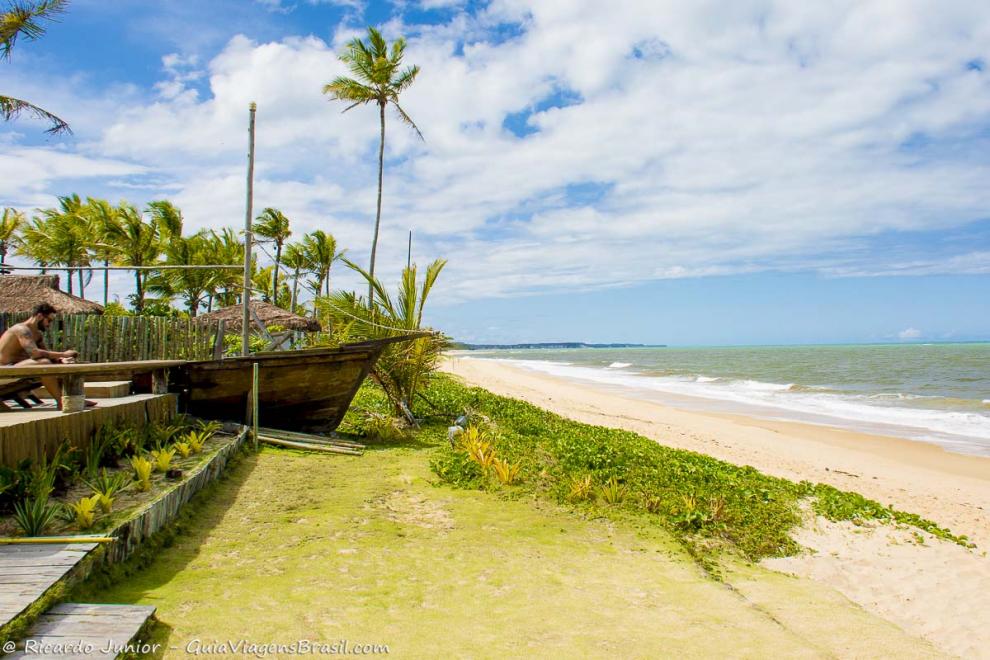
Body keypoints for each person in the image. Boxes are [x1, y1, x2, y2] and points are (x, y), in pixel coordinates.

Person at [0, 302, 96, 408]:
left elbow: (46, 354)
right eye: (49, 320)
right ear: (40, 316)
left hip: (15, 369)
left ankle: (74, 399)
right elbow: (35, 353)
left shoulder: (37, 334)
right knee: (44, 363)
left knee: (61, 364)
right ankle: (62, 403)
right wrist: (63, 354)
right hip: (4, 371)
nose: (49, 324)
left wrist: (61, 360)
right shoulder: (21, 330)